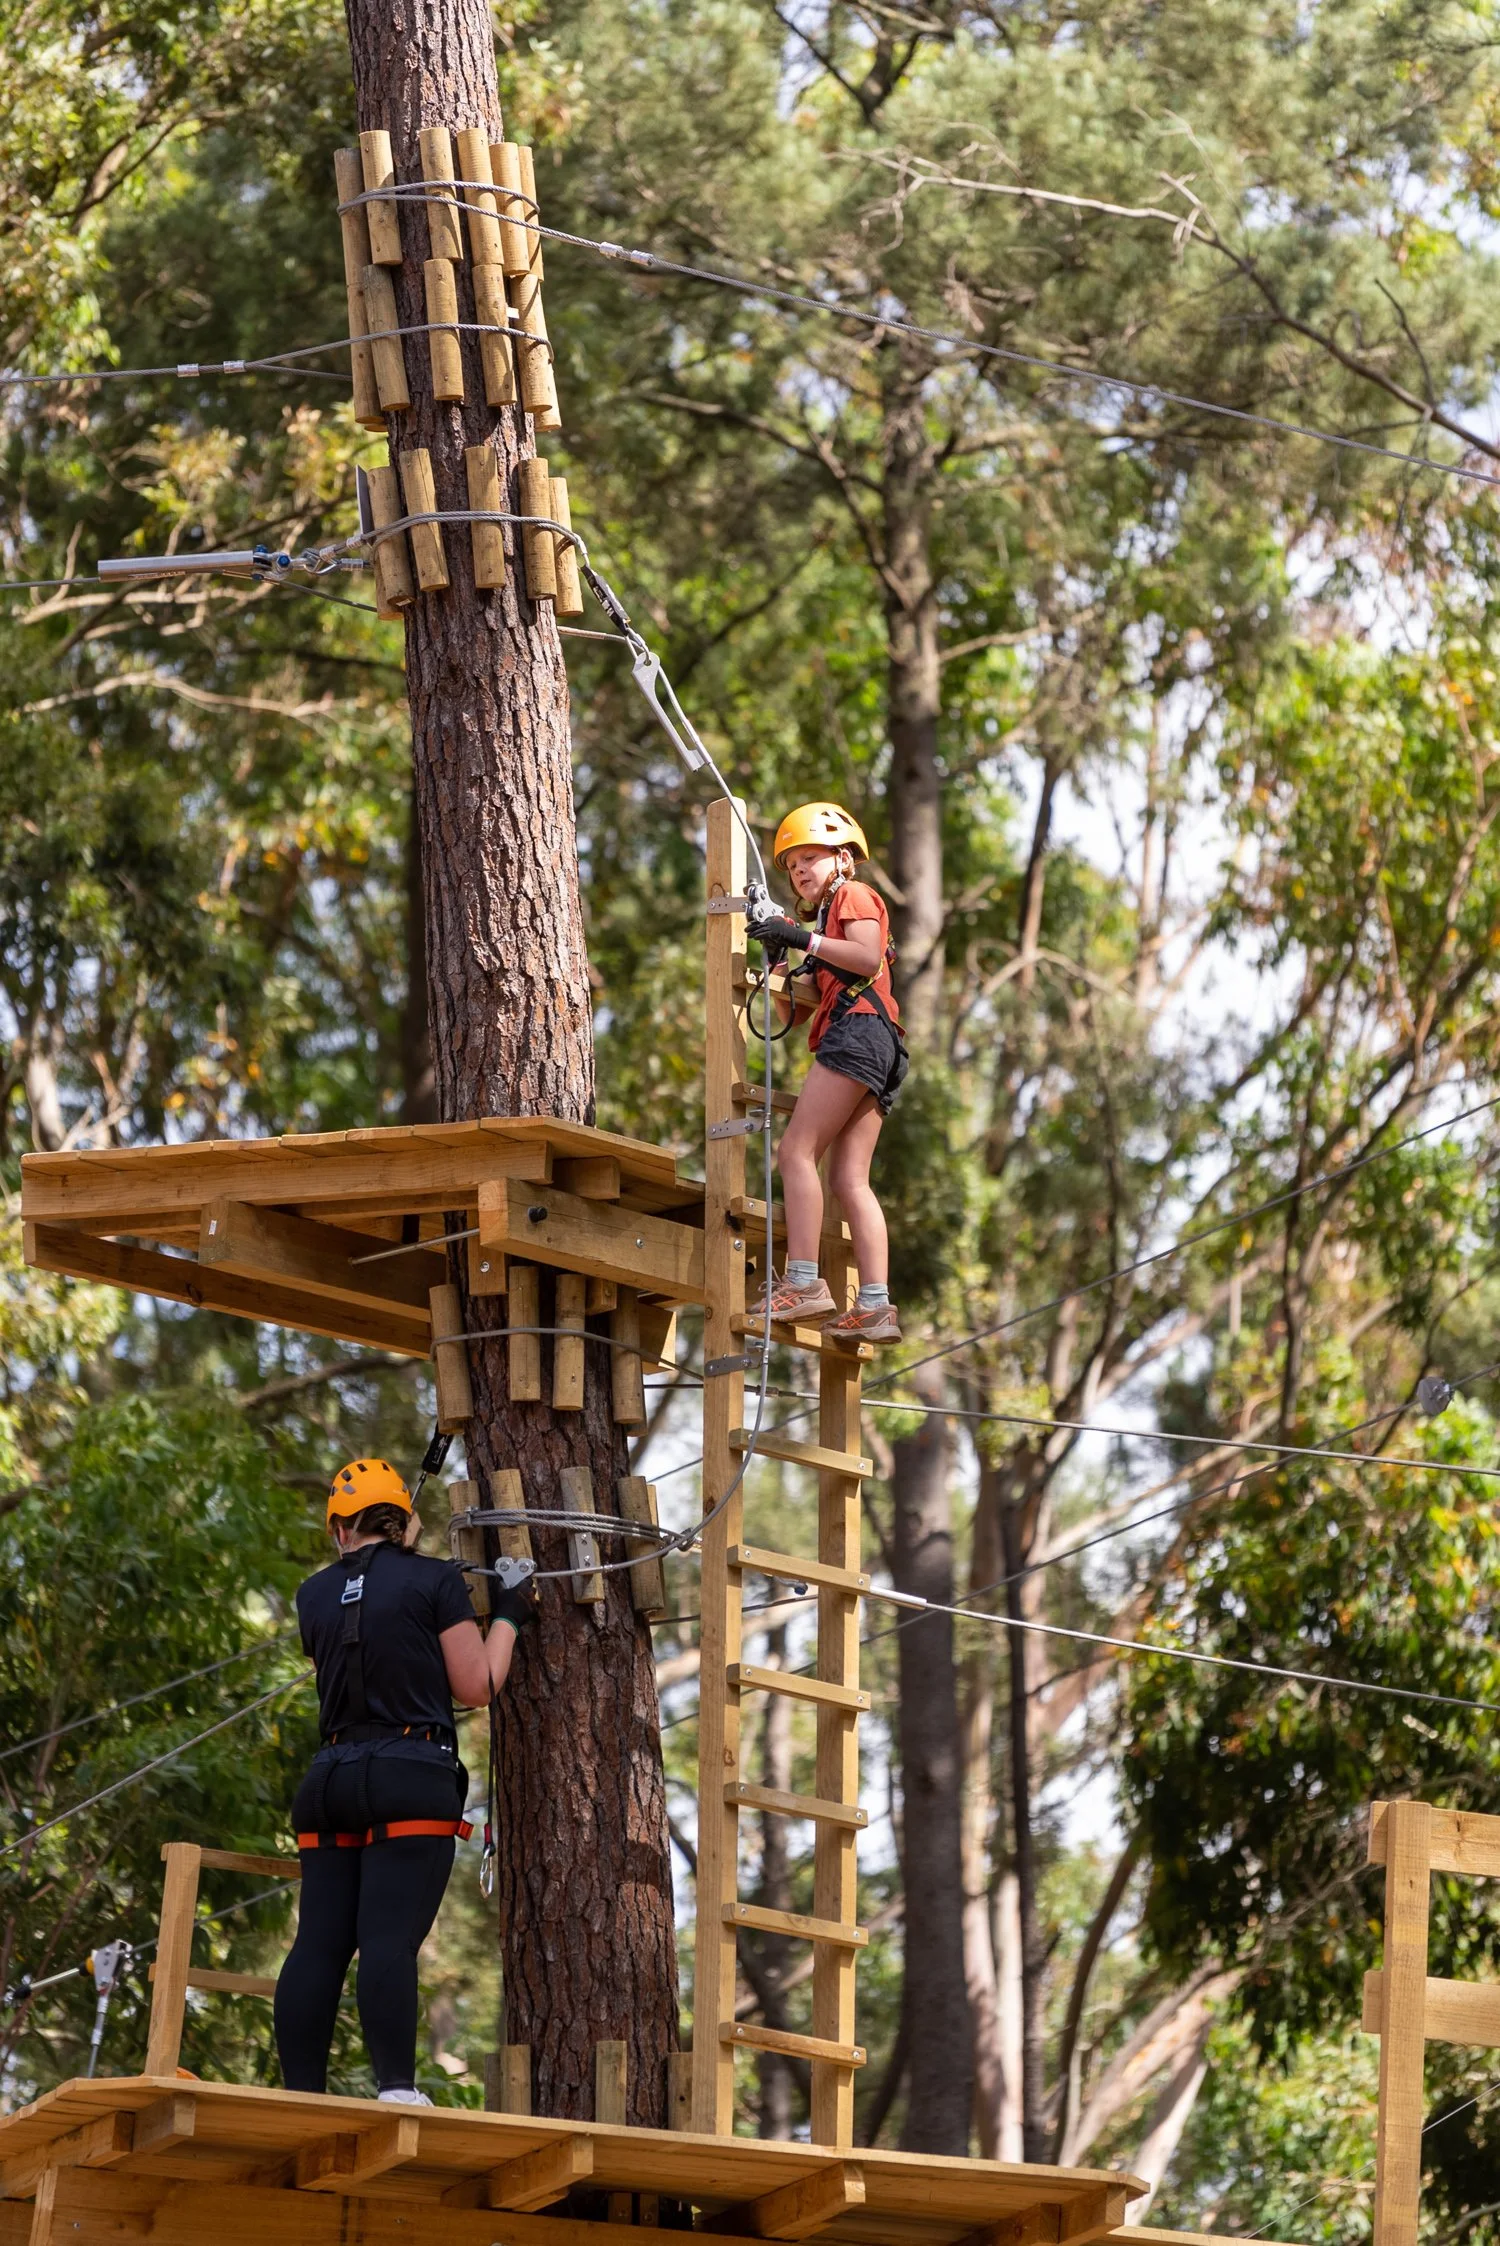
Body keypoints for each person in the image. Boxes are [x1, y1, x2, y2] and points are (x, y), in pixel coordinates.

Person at [274, 1456, 535, 2103]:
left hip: (328, 1781)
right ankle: (395, 2089)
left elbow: (355, 1633)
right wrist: (508, 1612)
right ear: (405, 1522)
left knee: (319, 1944)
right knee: (388, 1937)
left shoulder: (312, 1596)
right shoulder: (435, 1581)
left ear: (339, 1530)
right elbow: (477, 1685)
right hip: (409, 1775)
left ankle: (300, 2093)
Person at [745, 801, 908, 1344]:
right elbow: (793, 1014)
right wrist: (777, 959)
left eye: (810, 858)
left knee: (794, 1152)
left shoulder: (853, 897)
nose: (800, 871)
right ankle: (876, 1304)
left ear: (843, 859)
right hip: (878, 1043)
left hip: (859, 1034)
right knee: (848, 1179)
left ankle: (803, 1281)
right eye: (792, 866)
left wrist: (804, 940)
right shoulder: (822, 927)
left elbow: (865, 959)